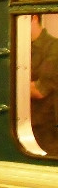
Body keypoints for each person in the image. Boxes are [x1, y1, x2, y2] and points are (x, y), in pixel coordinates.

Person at [30, 14, 58, 155]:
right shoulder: (21, 47)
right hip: (28, 128)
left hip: (46, 133)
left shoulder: (54, 48)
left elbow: (39, 90)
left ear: (34, 18)